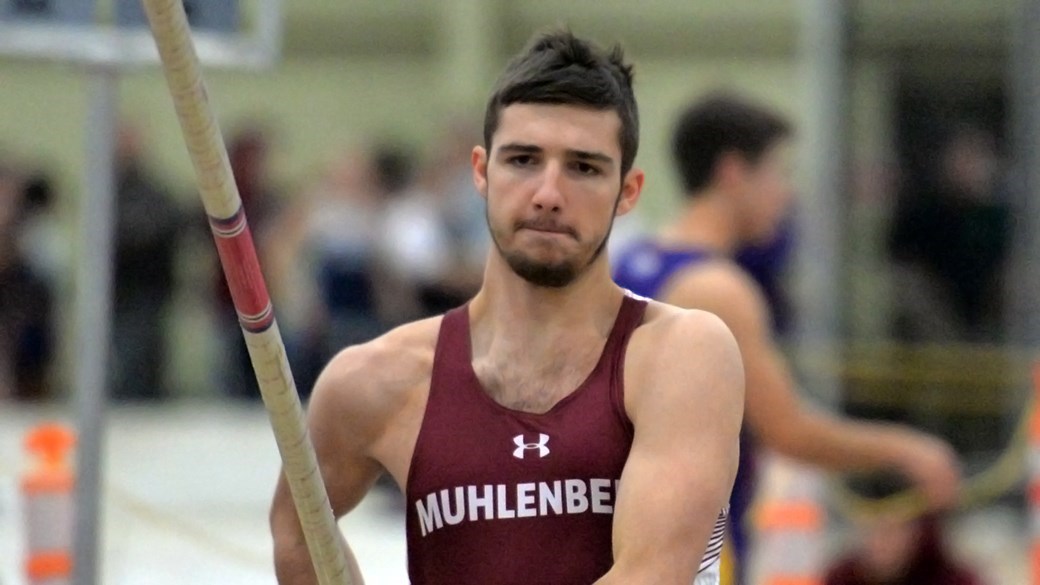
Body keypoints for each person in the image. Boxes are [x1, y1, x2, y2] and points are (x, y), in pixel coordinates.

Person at [271, 30, 744, 584]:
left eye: (584, 167)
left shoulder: (680, 355)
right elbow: (296, 533)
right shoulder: (375, 380)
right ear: (480, 171)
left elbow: (649, 575)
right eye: (523, 160)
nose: (548, 193)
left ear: (629, 191)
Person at [612, 93, 962, 585]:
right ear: (733, 173)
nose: (785, 192)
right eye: (777, 172)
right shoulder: (718, 287)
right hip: (690, 547)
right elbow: (787, 429)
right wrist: (907, 449)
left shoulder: (634, 261)